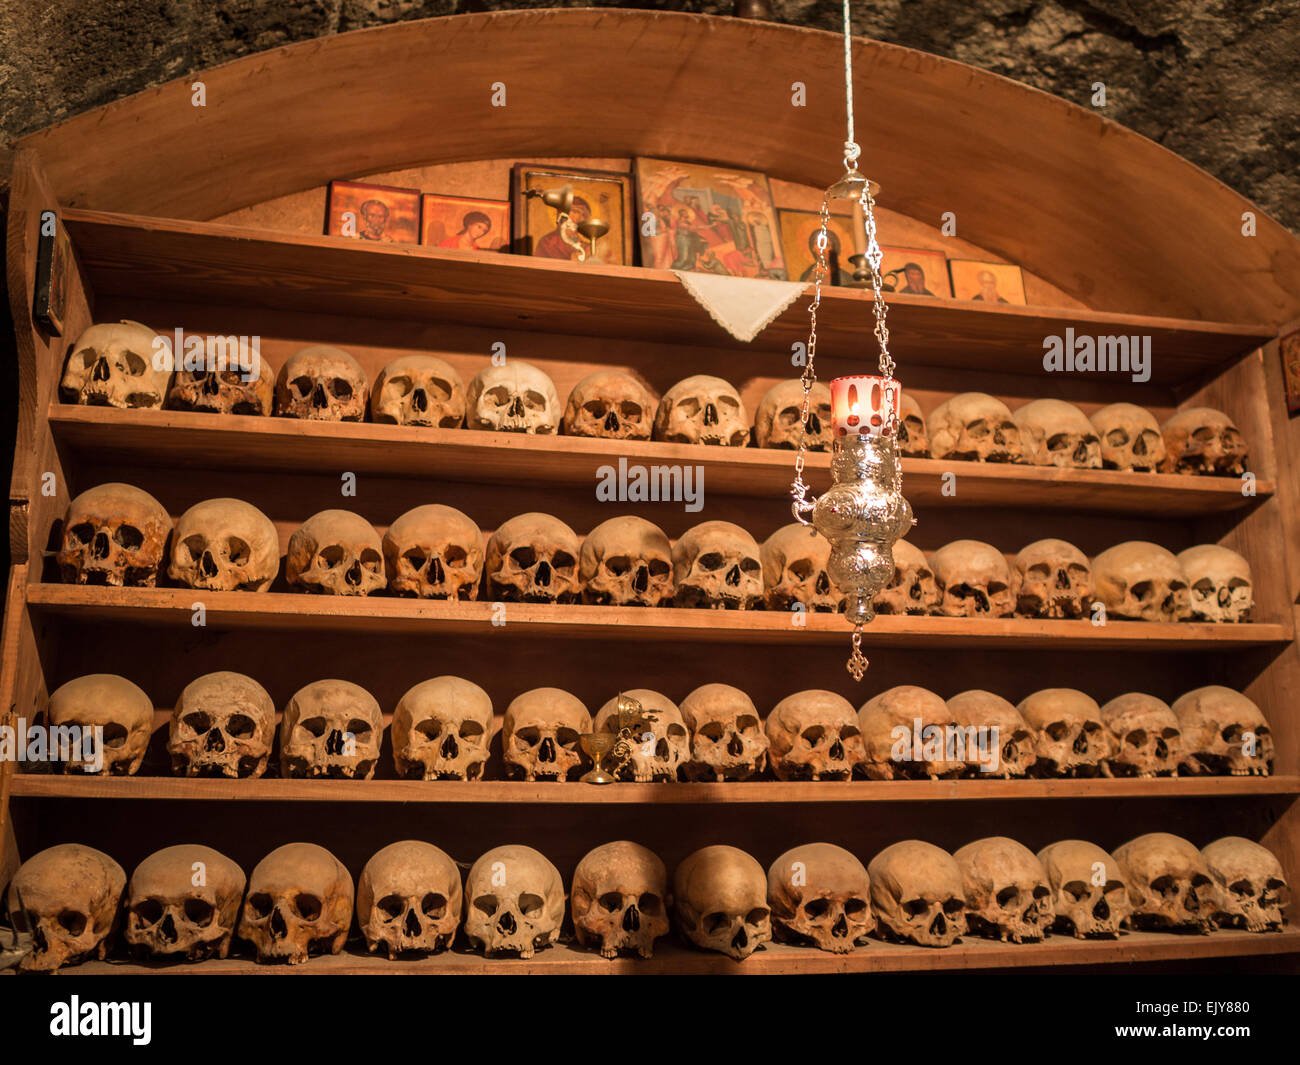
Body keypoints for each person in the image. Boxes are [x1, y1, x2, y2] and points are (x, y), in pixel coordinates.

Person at [535, 196, 592, 260]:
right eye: (575, 212)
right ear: (563, 214)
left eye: (583, 215)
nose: (580, 218)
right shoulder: (547, 242)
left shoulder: (586, 247)